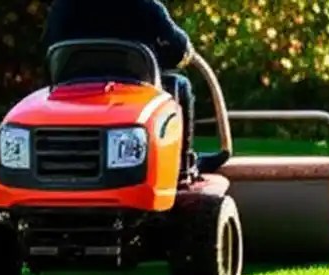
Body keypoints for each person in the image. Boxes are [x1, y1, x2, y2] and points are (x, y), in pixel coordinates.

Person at [41, 0, 228, 178]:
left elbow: (48, 45)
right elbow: (180, 50)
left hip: (73, 89)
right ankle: (183, 166)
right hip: (134, 90)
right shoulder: (143, 4)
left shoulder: (64, 5)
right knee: (180, 85)